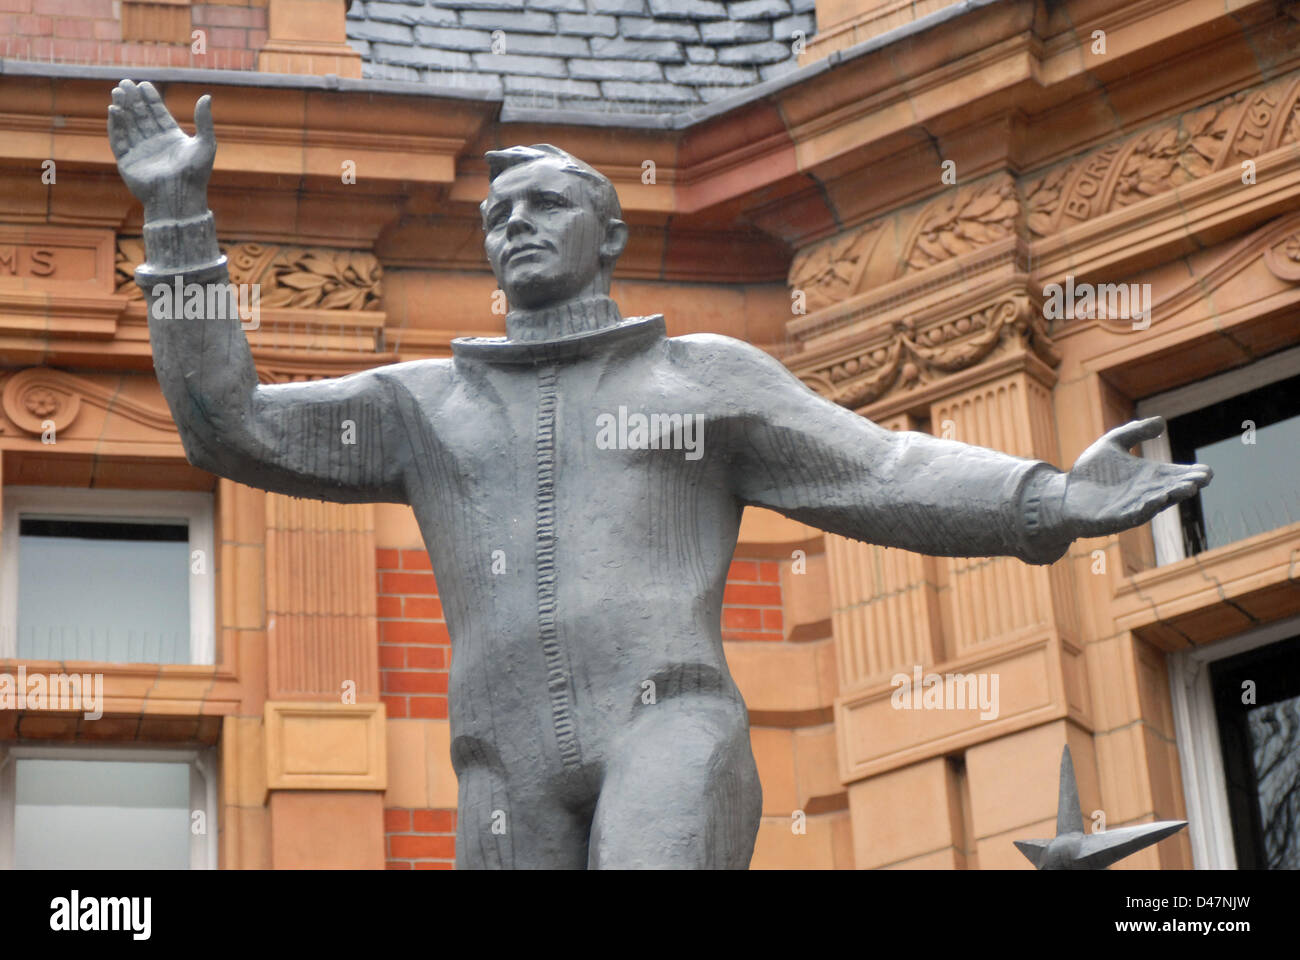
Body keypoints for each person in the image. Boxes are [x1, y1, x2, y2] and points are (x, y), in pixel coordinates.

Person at [108, 80, 1211, 869]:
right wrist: (176, 214)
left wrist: (1047, 499)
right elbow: (228, 425)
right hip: (499, 766)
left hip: (667, 732)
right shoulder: (420, 406)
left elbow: (879, 466)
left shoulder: (701, 380)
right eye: (495, 218)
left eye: (544, 207)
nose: (513, 227)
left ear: (611, 231)